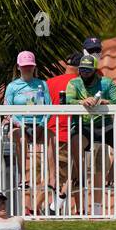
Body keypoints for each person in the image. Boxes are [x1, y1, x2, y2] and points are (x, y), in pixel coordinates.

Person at [64, 54, 116, 207]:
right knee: (76, 142)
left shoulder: (106, 83)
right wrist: (81, 101)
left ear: (95, 70)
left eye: (88, 70)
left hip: (105, 125)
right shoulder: (74, 83)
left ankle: (113, 171)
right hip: (83, 127)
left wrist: (107, 101)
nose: (84, 73)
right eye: (82, 70)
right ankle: (80, 176)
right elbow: (67, 100)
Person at [5, 51, 53, 212]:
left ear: (34, 67)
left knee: (51, 136)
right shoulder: (12, 87)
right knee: (21, 139)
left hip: (38, 125)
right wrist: (19, 124)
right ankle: (23, 176)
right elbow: (7, 111)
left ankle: (52, 177)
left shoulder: (42, 84)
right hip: (20, 126)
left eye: (29, 67)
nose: (27, 69)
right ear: (18, 67)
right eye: (24, 67)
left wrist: (42, 123)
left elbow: (49, 107)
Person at [45, 53, 82, 215]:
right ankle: (71, 208)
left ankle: (34, 207)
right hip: (69, 132)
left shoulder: (49, 83)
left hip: (50, 133)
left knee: (49, 176)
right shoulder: (80, 83)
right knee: (74, 174)